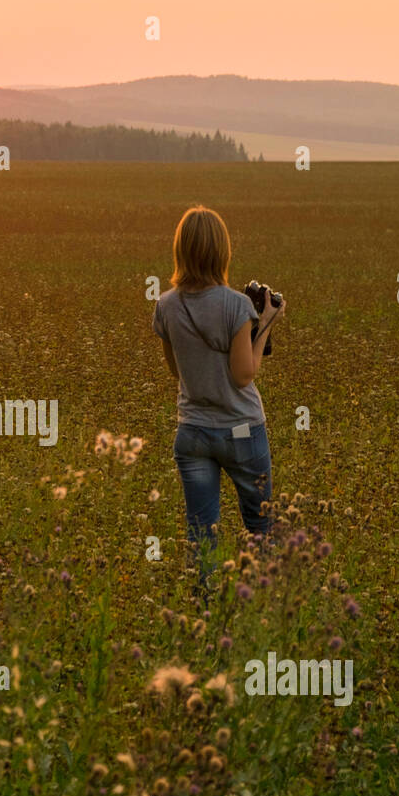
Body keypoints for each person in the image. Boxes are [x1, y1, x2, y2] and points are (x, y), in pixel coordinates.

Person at [152, 205, 286, 585]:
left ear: (181, 250)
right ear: (221, 251)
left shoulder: (165, 306)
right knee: (260, 524)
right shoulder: (237, 305)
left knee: (201, 533)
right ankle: (265, 603)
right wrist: (266, 324)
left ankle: (205, 615)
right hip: (241, 431)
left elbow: (177, 370)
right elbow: (244, 375)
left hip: (192, 433)